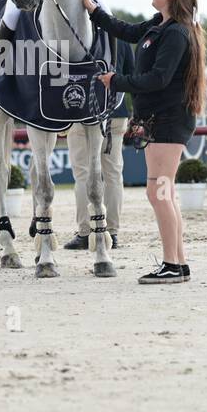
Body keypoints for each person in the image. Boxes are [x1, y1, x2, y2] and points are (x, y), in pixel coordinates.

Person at [82, 0, 207, 285]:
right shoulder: (158, 25)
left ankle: (171, 264)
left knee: (159, 191)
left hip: (168, 121)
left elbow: (158, 78)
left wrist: (117, 82)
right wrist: (94, 11)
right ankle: (178, 262)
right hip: (160, 121)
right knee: (165, 192)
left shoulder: (177, 33)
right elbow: (125, 30)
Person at [64, 36, 135, 251]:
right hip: (116, 110)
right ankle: (111, 231)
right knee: (113, 173)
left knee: (83, 173)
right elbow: (132, 76)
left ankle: (86, 232)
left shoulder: (74, 36)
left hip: (82, 110)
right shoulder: (121, 38)